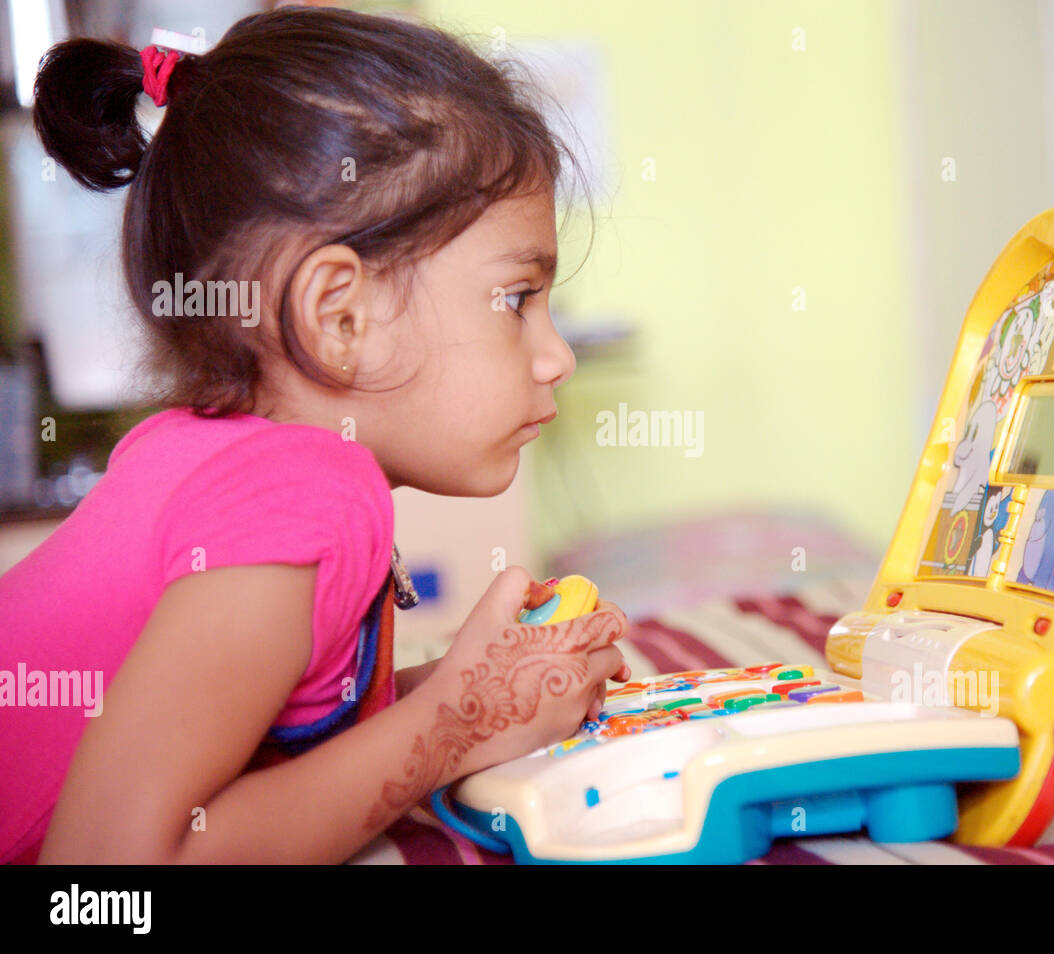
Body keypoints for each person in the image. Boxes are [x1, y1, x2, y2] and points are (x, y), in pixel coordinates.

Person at [0, 6, 630, 864]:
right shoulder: (301, 495)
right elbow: (107, 881)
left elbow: (261, 753)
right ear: (339, 316)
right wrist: (456, 724)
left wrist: (463, 692)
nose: (555, 357)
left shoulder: (227, 465)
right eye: (516, 299)